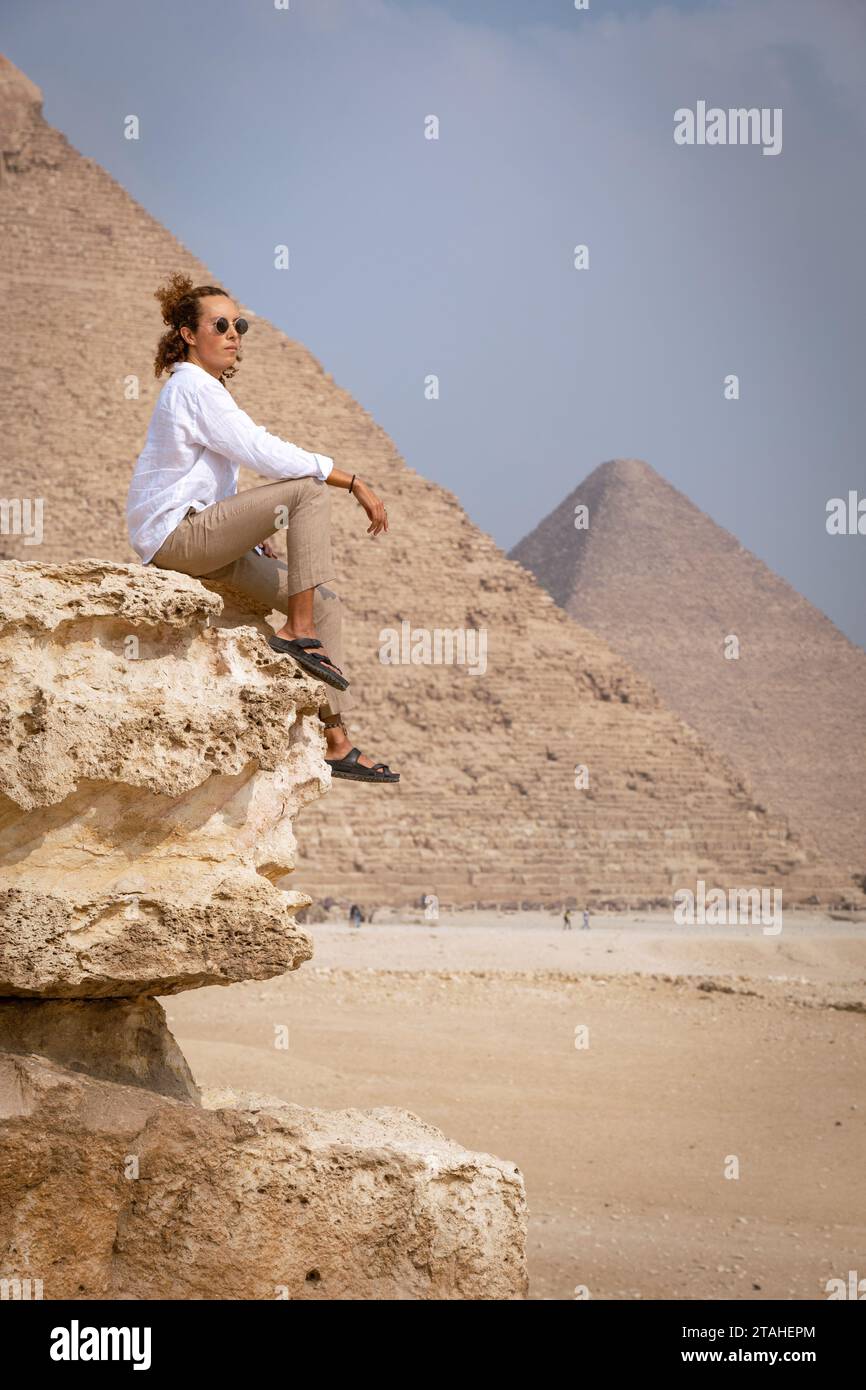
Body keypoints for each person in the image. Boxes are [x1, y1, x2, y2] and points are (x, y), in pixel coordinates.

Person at [127, 273, 398, 784]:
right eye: (221, 324)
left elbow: (210, 477)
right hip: (176, 538)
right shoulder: (192, 387)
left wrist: (248, 530)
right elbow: (262, 452)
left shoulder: (205, 390)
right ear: (188, 334)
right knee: (308, 489)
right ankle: (297, 631)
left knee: (325, 602)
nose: (234, 333)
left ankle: (336, 739)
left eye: (240, 324)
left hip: (201, 537)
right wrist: (352, 480)